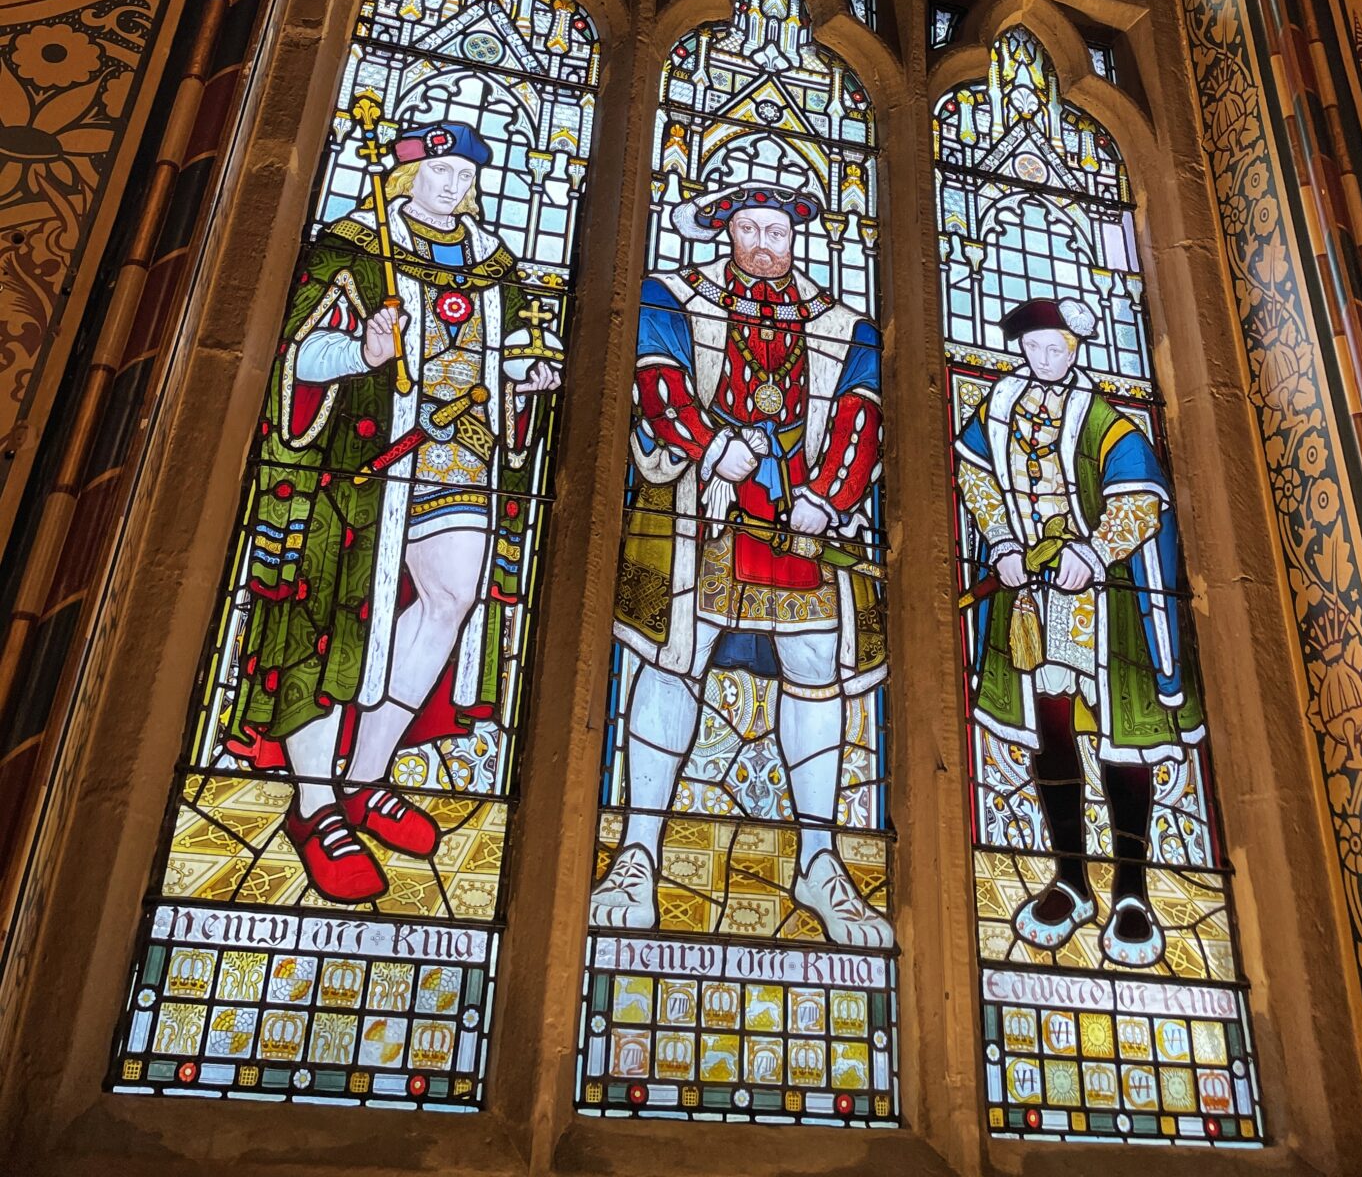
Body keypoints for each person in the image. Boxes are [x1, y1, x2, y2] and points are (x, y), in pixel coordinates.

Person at [227, 121, 561, 904]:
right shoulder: (354, 245)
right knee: (334, 620)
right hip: (360, 469)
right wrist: (365, 355)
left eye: (464, 173)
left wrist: (525, 378)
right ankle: (314, 805)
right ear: (406, 176)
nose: (453, 185)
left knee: (451, 600)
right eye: (439, 170)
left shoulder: (494, 265)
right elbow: (298, 361)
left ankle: (367, 776)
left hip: (460, 461)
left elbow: (504, 352)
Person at [591, 183, 890, 948]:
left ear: (799, 239)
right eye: (750, 229)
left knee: (815, 659)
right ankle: (638, 850)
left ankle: (819, 857)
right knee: (670, 662)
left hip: (799, 522)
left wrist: (826, 497)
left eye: (778, 231)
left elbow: (861, 418)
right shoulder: (674, 295)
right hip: (702, 505)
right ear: (726, 234)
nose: (764, 244)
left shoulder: (841, 323)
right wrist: (708, 445)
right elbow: (656, 383)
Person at [954, 296, 1203, 967]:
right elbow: (975, 478)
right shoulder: (997, 413)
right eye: (1033, 346)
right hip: (1031, 601)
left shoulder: (1107, 423)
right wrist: (1003, 542)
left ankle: (1129, 891)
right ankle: (1069, 878)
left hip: (1104, 602)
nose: (1044, 356)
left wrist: (1093, 553)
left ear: (1074, 350)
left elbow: (1142, 497)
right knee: (1048, 727)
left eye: (1056, 346)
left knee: (1125, 744)